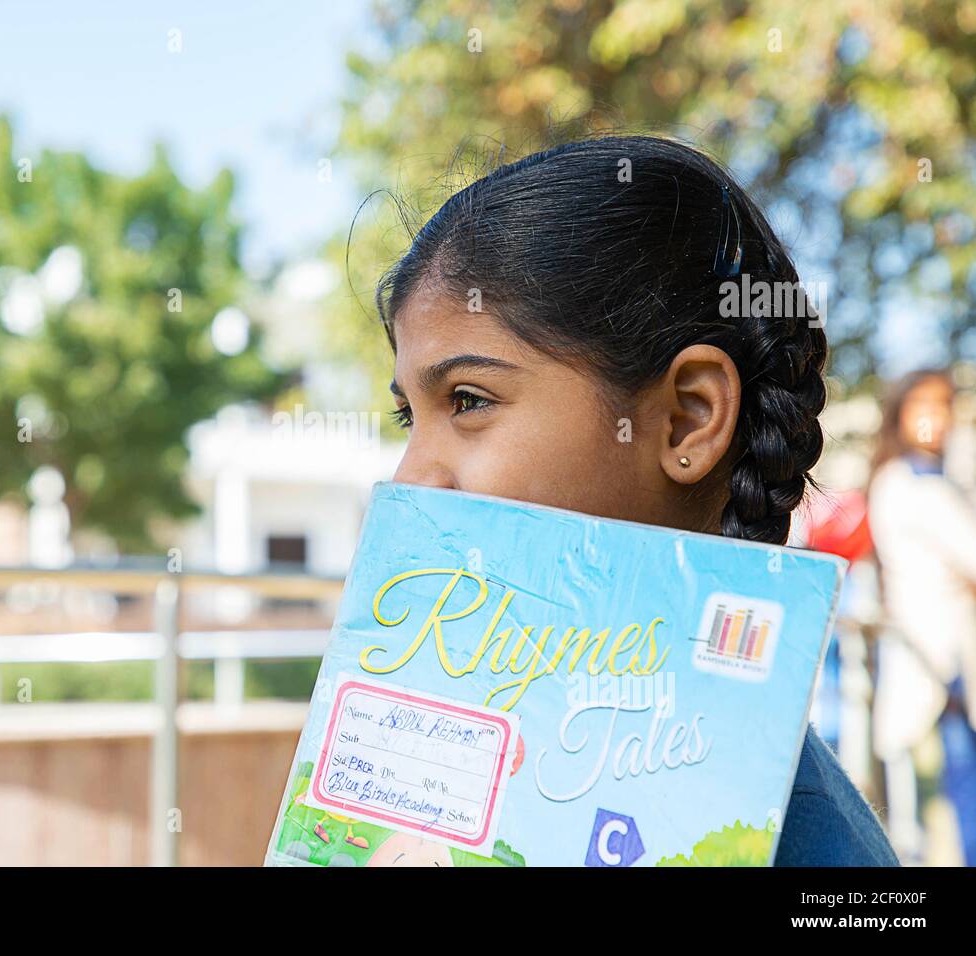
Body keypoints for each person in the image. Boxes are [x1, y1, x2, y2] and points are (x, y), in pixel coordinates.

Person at [373, 135, 898, 866]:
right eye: (409, 417)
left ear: (687, 417)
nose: (409, 479)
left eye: (467, 399)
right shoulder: (501, 763)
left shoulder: (794, 839)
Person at [868, 368, 976, 865]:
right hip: (933, 667)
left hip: (954, 664)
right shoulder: (906, 482)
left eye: (943, 406)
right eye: (923, 406)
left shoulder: (940, 480)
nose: (936, 419)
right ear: (902, 415)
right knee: (942, 808)